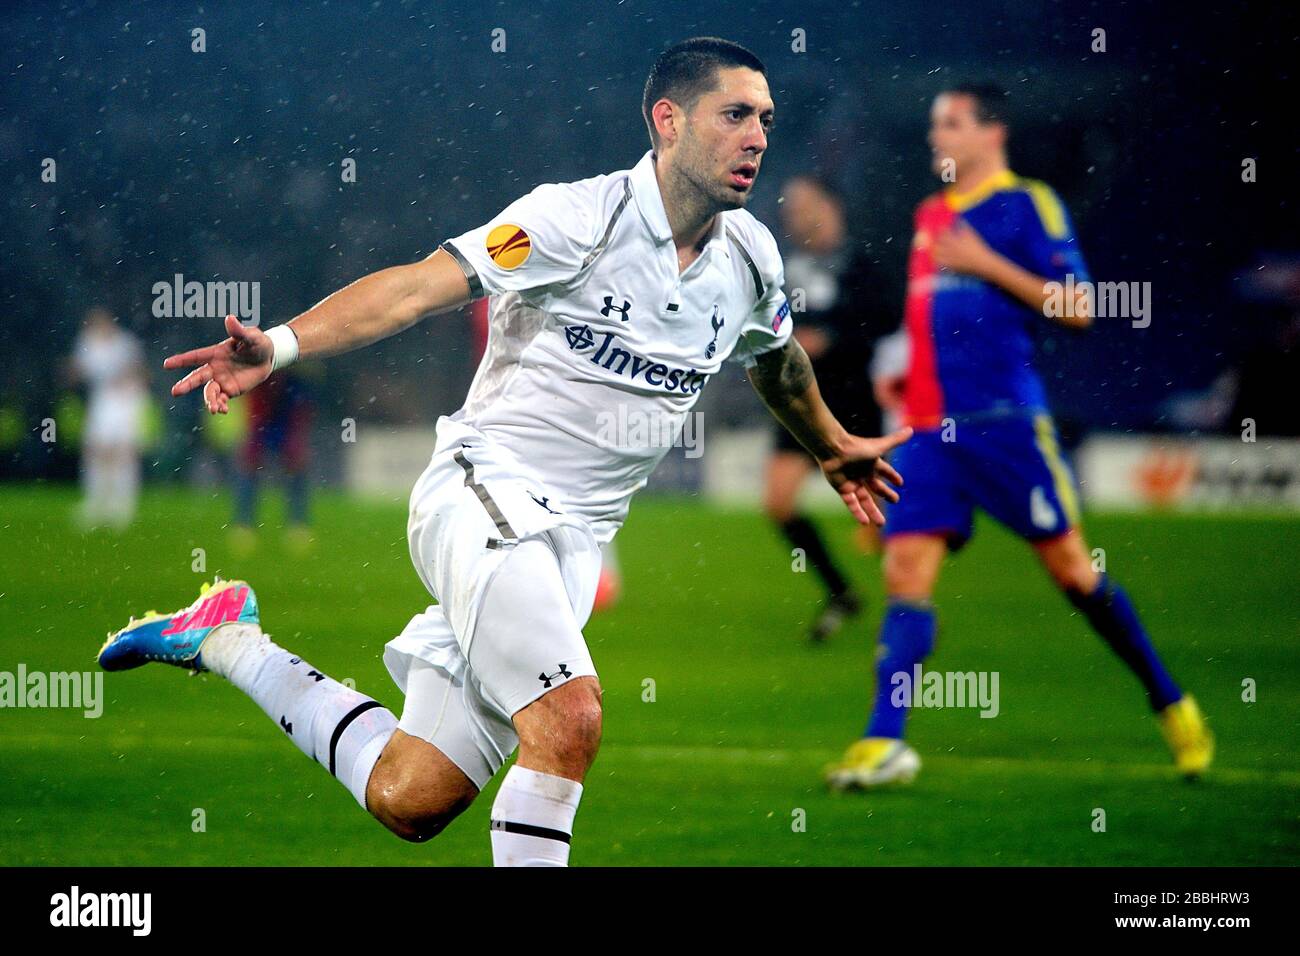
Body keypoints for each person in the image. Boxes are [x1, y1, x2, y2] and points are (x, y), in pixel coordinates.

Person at [96, 37, 910, 866]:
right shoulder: (574, 221)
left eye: (766, 120)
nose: (758, 137)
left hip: (572, 549)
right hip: (486, 492)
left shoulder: (750, 258)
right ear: (667, 121)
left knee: (412, 796)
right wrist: (280, 343)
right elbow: (416, 287)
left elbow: (777, 359)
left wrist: (833, 444)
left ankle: (228, 639)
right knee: (571, 718)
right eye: (735, 115)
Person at [824, 84, 1213, 790]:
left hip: (1005, 425)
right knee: (905, 575)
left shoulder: (1026, 204)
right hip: (929, 434)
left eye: (951, 123)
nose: (936, 136)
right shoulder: (929, 216)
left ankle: (1170, 700)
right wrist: (901, 386)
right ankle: (884, 741)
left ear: (990, 132)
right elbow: (927, 324)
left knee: (1072, 570)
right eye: (934, 123)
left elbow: (1080, 307)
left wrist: (988, 265)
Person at [764, 174, 896, 641]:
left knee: (877, 517)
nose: (792, 212)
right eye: (789, 205)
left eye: (802, 203)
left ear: (830, 206)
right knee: (778, 502)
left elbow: (887, 318)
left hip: (852, 399)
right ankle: (840, 591)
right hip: (800, 400)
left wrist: (834, 338)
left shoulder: (861, 265)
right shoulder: (781, 266)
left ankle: (908, 606)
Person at [69, 307, 147, 530]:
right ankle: (96, 503)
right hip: (102, 399)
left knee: (123, 452)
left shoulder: (124, 343)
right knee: (96, 450)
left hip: (127, 399)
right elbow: (80, 370)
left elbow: (139, 371)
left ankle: (122, 506)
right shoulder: (87, 342)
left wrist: (125, 380)